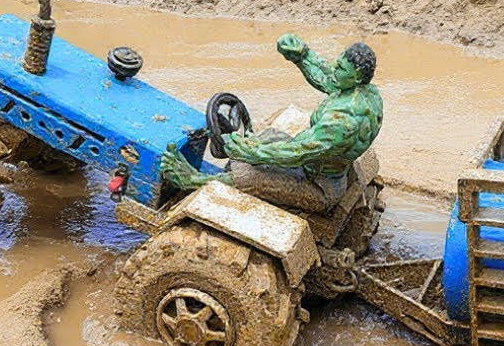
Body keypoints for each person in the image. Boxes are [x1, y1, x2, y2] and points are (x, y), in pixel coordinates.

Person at [160, 33, 382, 212]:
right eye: (338, 62)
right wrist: (303, 56)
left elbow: (298, 153)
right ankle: (234, 160)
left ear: (356, 77)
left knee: (251, 177)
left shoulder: (344, 122)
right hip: (319, 165)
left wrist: (251, 153)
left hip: (318, 185)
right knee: (271, 135)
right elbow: (328, 79)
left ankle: (192, 180)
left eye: (340, 68)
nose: (334, 68)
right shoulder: (365, 93)